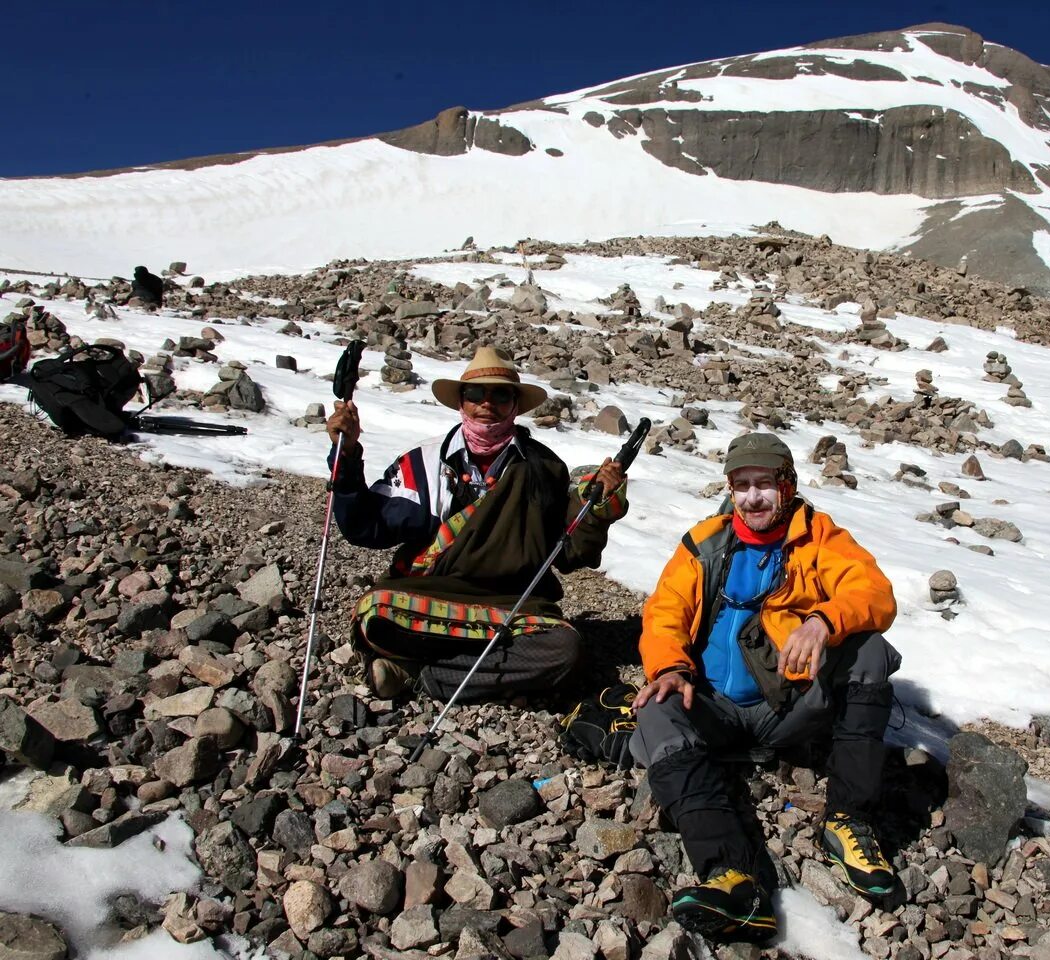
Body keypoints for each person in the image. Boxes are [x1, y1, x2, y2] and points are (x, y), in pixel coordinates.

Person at [631, 432, 901, 941]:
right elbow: (665, 614)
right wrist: (669, 667)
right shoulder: (705, 543)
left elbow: (874, 592)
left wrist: (823, 621)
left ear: (787, 485)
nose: (753, 497)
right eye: (741, 485)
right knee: (657, 703)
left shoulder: (820, 538)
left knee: (870, 651)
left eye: (764, 484)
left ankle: (848, 821)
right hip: (711, 707)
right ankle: (732, 877)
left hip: (787, 709)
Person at [324, 345, 627, 702]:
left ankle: (418, 673)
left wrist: (595, 507)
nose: (487, 404)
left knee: (564, 649)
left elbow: (568, 553)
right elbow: (366, 527)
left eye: (500, 395)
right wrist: (347, 454)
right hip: (432, 592)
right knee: (377, 614)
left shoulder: (544, 470)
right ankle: (477, 669)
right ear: (461, 402)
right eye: (475, 394)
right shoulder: (425, 462)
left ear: (515, 405)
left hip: (511, 604)